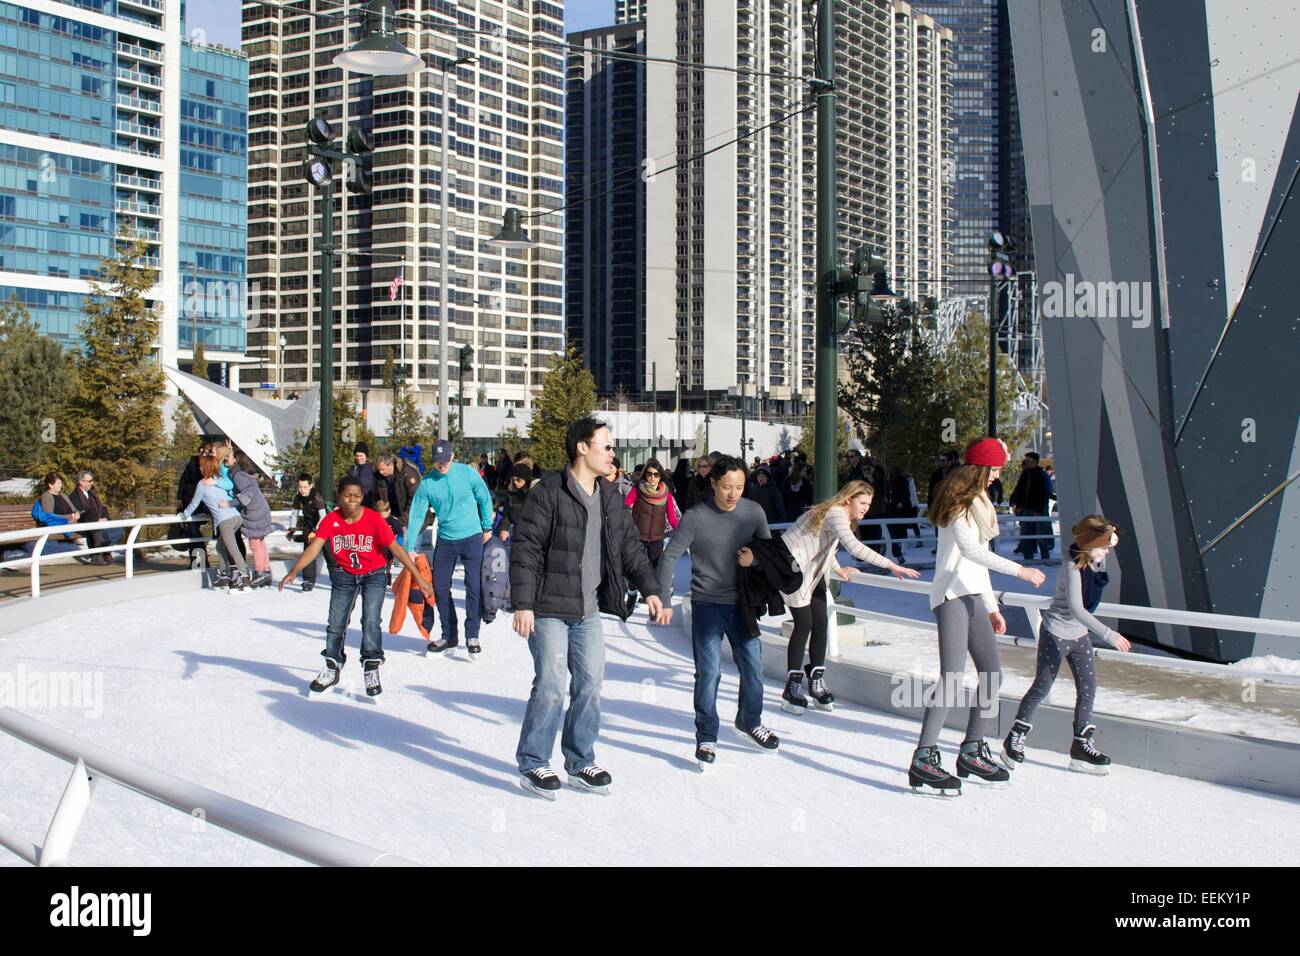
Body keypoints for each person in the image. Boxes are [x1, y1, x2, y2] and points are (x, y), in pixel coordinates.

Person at [509, 417, 666, 798]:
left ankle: (579, 761)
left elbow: (629, 546)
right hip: (547, 607)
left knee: (591, 685)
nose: (613, 453)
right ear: (582, 447)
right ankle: (534, 762)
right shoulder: (548, 492)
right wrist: (523, 603)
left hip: (588, 608)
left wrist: (650, 588)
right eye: (606, 446)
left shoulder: (610, 495)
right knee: (550, 685)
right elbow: (526, 548)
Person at [908, 438, 1046, 794]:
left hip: (971, 596)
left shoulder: (981, 503)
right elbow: (969, 551)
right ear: (981, 468)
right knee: (952, 676)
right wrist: (1020, 571)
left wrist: (991, 607)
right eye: (997, 468)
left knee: (992, 675)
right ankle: (923, 756)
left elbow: (977, 562)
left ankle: (971, 749)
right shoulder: (959, 504)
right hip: (952, 595)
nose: (1000, 474)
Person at [656, 455, 781, 765]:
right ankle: (707, 736)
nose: (733, 493)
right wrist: (666, 599)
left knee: (753, 667)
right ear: (712, 483)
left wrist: (755, 559)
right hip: (708, 604)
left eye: (739, 487)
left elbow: (769, 552)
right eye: (726, 486)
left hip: (744, 604)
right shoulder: (696, 517)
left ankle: (750, 721)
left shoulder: (753, 512)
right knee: (708, 673)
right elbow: (669, 556)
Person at [279, 476, 433, 697]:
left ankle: (371, 666)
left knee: (370, 620)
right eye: (347, 496)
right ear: (339, 497)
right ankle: (332, 667)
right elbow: (315, 547)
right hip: (344, 575)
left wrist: (418, 577)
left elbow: (396, 549)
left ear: (362, 498)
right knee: (335, 622)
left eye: (357, 496)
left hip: (374, 574)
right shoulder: (332, 520)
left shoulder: (374, 519)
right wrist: (294, 570)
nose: (352, 500)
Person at [1003, 516, 1132, 774]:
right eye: (1104, 545)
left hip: (1079, 636)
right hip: (1056, 633)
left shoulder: (1097, 561)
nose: (1107, 551)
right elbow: (1077, 608)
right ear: (1090, 543)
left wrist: (1101, 554)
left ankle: (1081, 746)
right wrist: (1110, 635)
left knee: (1088, 688)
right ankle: (1014, 739)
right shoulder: (1071, 568)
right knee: (1042, 686)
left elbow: (1089, 600)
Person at [779, 481, 921, 714]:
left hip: (813, 573)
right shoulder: (836, 513)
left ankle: (816, 681)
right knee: (804, 625)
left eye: (869, 504)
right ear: (848, 500)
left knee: (822, 624)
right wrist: (890, 565)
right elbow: (853, 547)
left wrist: (838, 569)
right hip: (794, 572)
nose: (866, 508)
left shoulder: (838, 515)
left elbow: (825, 545)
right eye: (862, 503)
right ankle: (792, 686)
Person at [404, 438, 495, 656]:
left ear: (453, 456)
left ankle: (472, 634)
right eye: (437, 460)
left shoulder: (467, 473)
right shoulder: (427, 483)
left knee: (473, 586)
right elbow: (417, 514)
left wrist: (487, 526)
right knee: (441, 588)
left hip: (472, 536)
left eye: (445, 460)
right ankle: (449, 634)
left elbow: (484, 498)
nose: (441, 464)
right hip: (446, 539)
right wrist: (409, 545)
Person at [179, 451, 251, 590]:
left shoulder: (202, 484)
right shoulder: (219, 480)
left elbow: (194, 504)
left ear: (206, 467)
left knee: (232, 548)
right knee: (220, 547)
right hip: (235, 517)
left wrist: (184, 515)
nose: (199, 468)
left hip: (225, 521)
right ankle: (224, 576)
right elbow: (230, 487)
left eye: (201, 466)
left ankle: (244, 577)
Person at [623, 457, 680, 572]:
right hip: (638, 537)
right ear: (645, 475)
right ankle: (632, 589)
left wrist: (684, 531)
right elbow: (623, 509)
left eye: (656, 474)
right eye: (649, 474)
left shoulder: (666, 495)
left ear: (660, 476)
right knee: (636, 568)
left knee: (655, 569)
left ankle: (653, 590)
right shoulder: (637, 491)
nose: (652, 477)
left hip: (657, 538)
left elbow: (672, 518)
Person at [229, 451, 275, 588]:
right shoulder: (244, 473)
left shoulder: (238, 475)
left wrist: (229, 503)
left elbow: (246, 495)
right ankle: (266, 570)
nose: (227, 459)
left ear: (236, 460)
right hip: (261, 510)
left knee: (255, 544)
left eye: (230, 457)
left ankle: (260, 572)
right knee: (260, 542)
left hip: (254, 513)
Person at [68, 471, 122, 564]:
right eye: (89, 481)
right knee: (102, 532)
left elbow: (102, 507)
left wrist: (105, 517)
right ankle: (97, 555)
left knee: (118, 529)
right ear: (81, 482)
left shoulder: (91, 494)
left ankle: (104, 551)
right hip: (83, 523)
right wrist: (97, 520)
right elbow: (82, 513)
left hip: (96, 521)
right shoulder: (74, 496)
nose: (92, 483)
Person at [28, 473, 85, 559]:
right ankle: (95, 555)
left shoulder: (63, 496)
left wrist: (77, 514)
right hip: (57, 525)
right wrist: (69, 517)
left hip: (70, 523)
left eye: (60, 483)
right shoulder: (46, 496)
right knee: (94, 532)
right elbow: (49, 515)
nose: (60, 485)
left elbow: (74, 509)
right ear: (50, 485)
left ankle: (97, 553)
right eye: (58, 483)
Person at [1009, 451, 1054, 561]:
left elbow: (1047, 490)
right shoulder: (1025, 474)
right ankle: (1028, 558)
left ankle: (1045, 558)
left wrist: (1048, 499)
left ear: (1034, 461)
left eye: (1028, 460)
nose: (1026, 462)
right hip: (1026, 509)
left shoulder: (1041, 474)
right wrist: (1014, 500)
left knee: (1041, 535)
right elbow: (1019, 488)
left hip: (1039, 509)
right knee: (1025, 535)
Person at [289, 473, 325, 591]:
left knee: (330, 554)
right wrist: (292, 529)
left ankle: (338, 577)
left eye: (305, 487)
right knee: (308, 553)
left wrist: (315, 531)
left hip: (323, 525)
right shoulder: (298, 497)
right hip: (309, 526)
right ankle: (308, 580)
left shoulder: (316, 497)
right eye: (300, 487)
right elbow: (294, 514)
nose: (302, 490)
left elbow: (323, 517)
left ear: (311, 486)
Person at [373, 452, 423, 526]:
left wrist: (402, 520)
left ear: (391, 465)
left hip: (411, 519)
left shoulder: (408, 473)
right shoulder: (378, 476)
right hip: (391, 518)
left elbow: (415, 500)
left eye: (383, 469)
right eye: (379, 469)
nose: (380, 472)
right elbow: (375, 497)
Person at [494, 463, 537, 542]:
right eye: (513, 480)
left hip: (534, 535)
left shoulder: (535, 494)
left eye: (518, 480)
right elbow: (506, 515)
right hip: (517, 534)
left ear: (526, 479)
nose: (516, 483)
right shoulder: (511, 495)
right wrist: (503, 529)